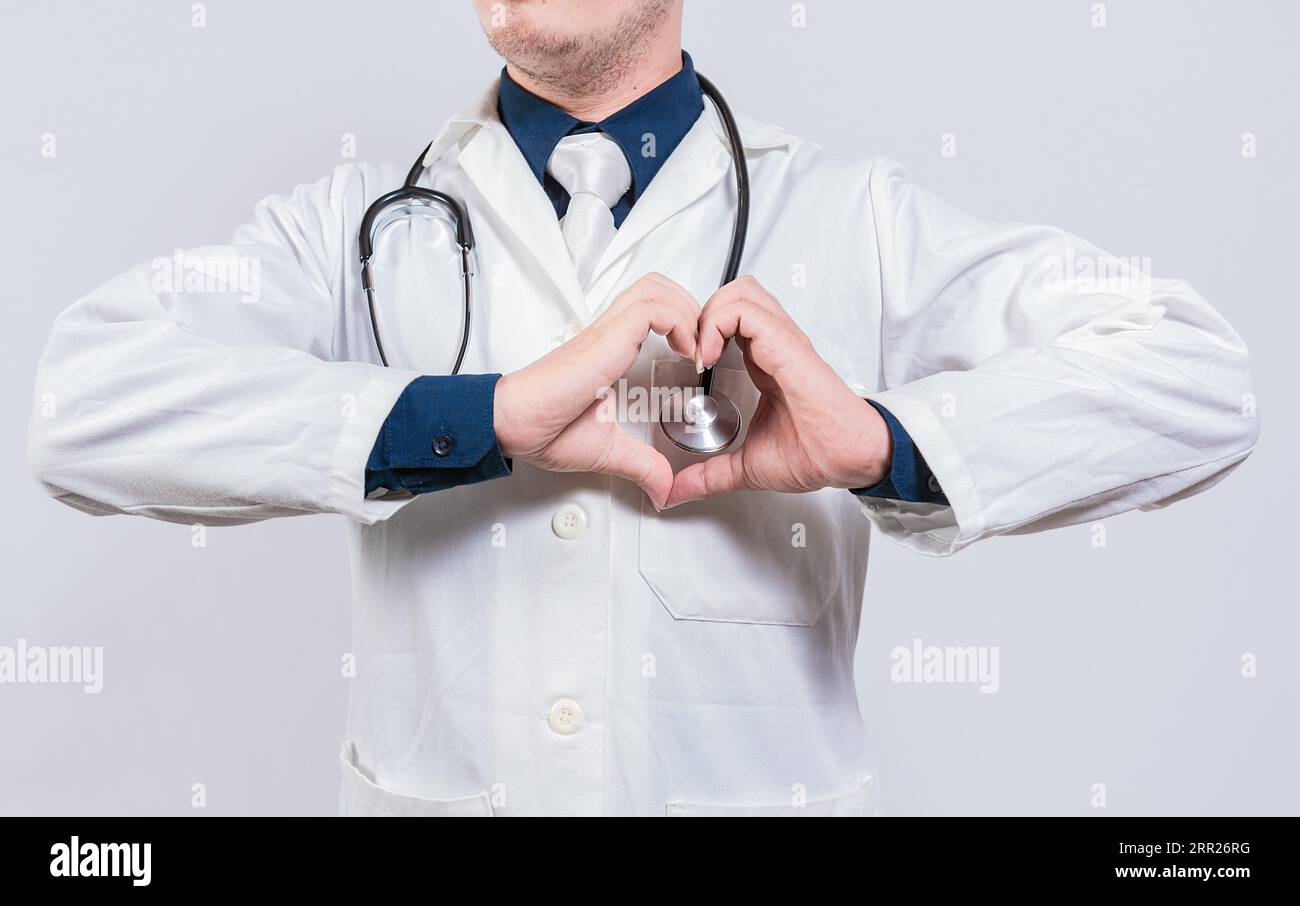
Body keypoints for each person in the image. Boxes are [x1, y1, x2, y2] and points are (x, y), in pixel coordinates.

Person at [27, 0, 1257, 816]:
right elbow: (84, 400)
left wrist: (882, 445)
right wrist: (477, 416)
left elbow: (1196, 375)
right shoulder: (360, 225)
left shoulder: (848, 219)